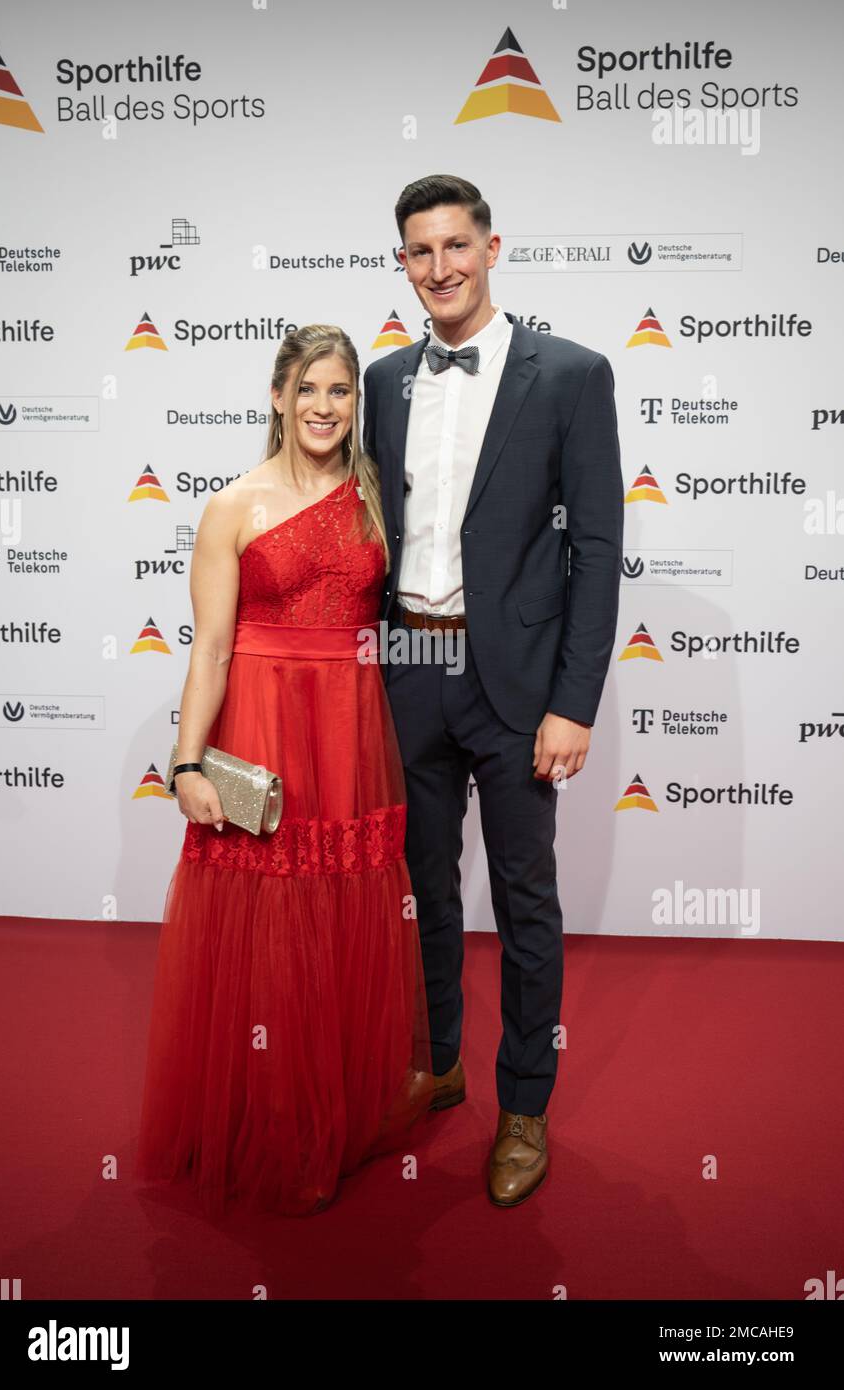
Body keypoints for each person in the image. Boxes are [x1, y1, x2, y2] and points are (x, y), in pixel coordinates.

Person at [363, 175, 624, 1207]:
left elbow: (595, 552)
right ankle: (441, 1061)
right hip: (408, 673)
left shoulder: (568, 374)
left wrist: (575, 701)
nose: (440, 268)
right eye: (419, 252)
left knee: (524, 900)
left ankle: (523, 1106)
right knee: (420, 890)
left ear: (491, 246)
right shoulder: (382, 380)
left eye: (455, 246)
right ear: (403, 263)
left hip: (514, 683)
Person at [134, 325, 434, 1219]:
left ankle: (334, 1116)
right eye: (308, 388)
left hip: (349, 726)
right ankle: (275, 1124)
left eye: (341, 391)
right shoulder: (234, 504)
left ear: (355, 404)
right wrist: (187, 761)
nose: (323, 407)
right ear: (276, 397)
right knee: (269, 919)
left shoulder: (378, 494)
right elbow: (213, 647)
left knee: (342, 908)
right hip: (262, 721)